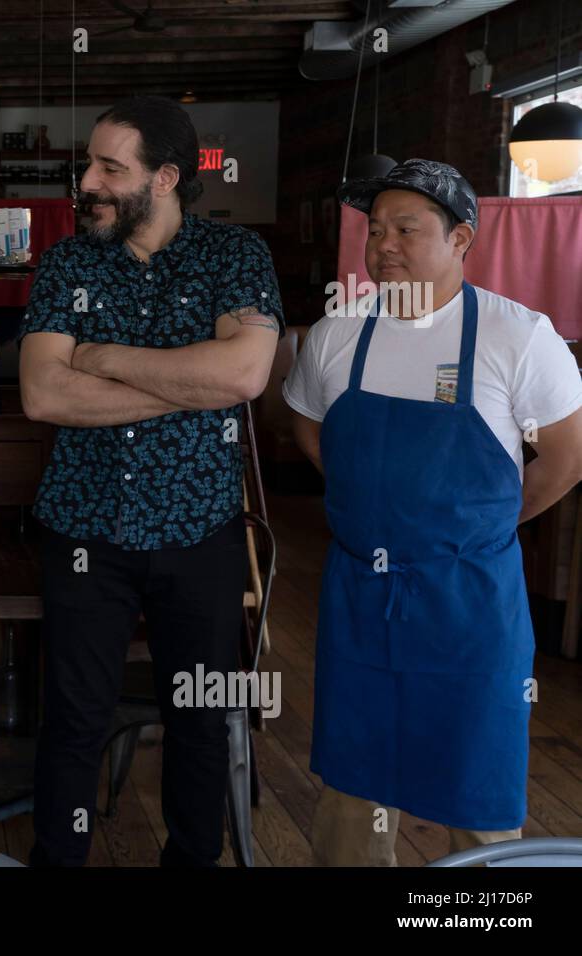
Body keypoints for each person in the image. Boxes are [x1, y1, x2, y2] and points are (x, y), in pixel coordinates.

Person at [282, 158, 582, 865]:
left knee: (478, 783)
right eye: (374, 229)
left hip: (471, 600)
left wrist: (477, 529)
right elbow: (308, 425)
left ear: (461, 240)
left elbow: (565, 461)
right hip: (360, 594)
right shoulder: (337, 334)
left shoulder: (518, 337)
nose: (382, 245)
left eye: (405, 229)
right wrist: (376, 512)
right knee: (352, 787)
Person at [18, 95, 284, 866]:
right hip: (83, 530)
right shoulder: (69, 261)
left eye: (110, 168)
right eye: (88, 164)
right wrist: (187, 383)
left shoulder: (235, 257)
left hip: (199, 530)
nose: (87, 183)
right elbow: (43, 395)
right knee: (73, 717)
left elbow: (242, 374)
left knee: (200, 718)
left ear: (165, 177)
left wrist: (99, 357)